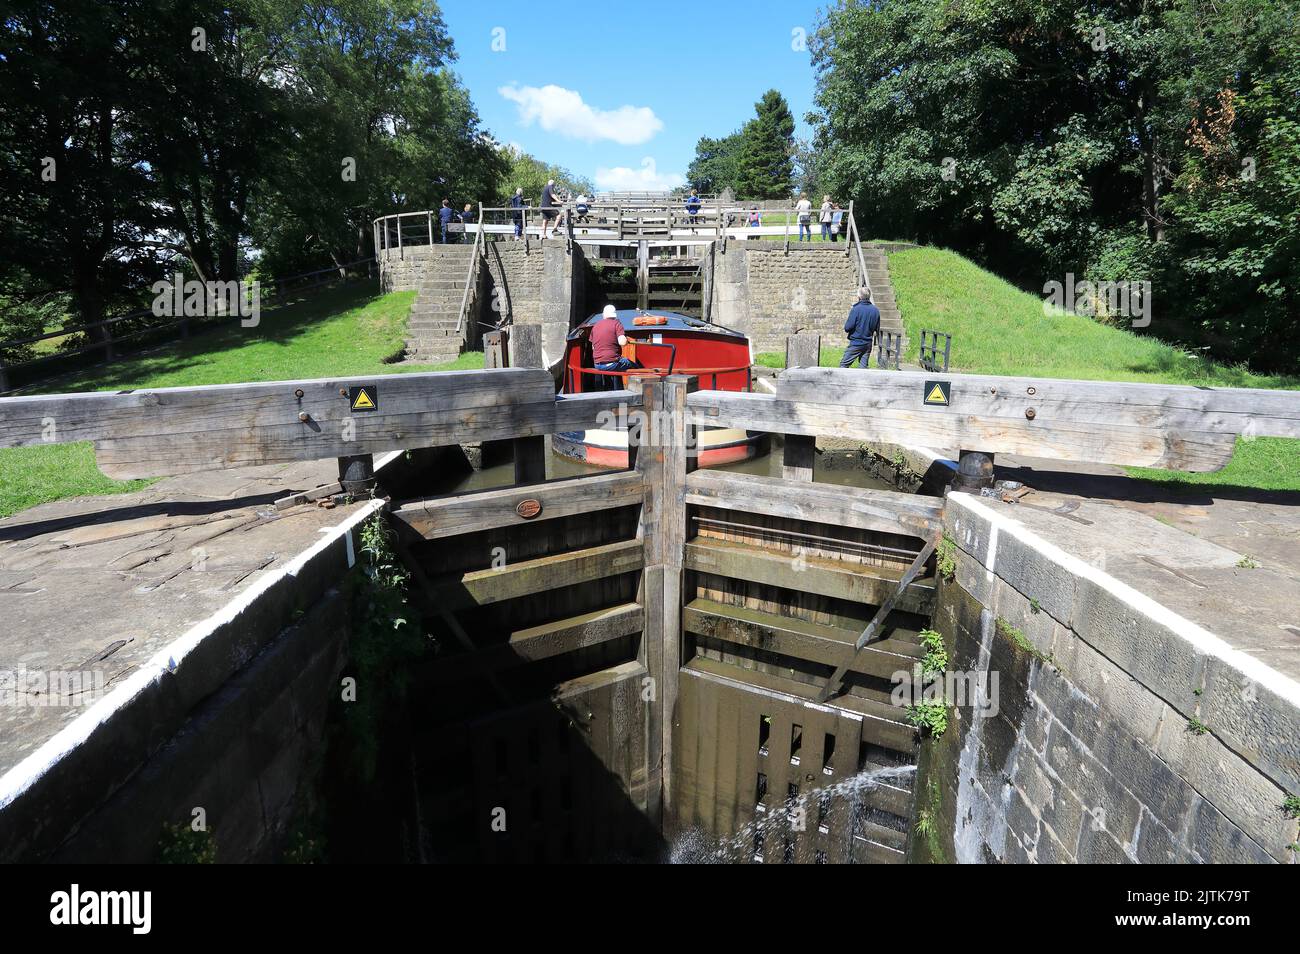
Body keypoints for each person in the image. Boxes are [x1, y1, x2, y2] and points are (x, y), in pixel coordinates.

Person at [590, 304, 633, 389]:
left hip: (597, 364)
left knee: (615, 364)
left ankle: (610, 388)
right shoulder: (616, 323)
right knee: (632, 365)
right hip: (612, 364)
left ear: (604, 314)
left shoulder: (595, 326)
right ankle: (630, 390)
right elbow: (622, 342)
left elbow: (593, 347)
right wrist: (626, 340)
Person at [840, 287, 880, 369]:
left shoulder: (856, 309)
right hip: (868, 343)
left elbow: (847, 327)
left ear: (859, 296)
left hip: (856, 343)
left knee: (843, 365)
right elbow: (877, 329)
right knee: (863, 367)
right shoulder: (875, 310)